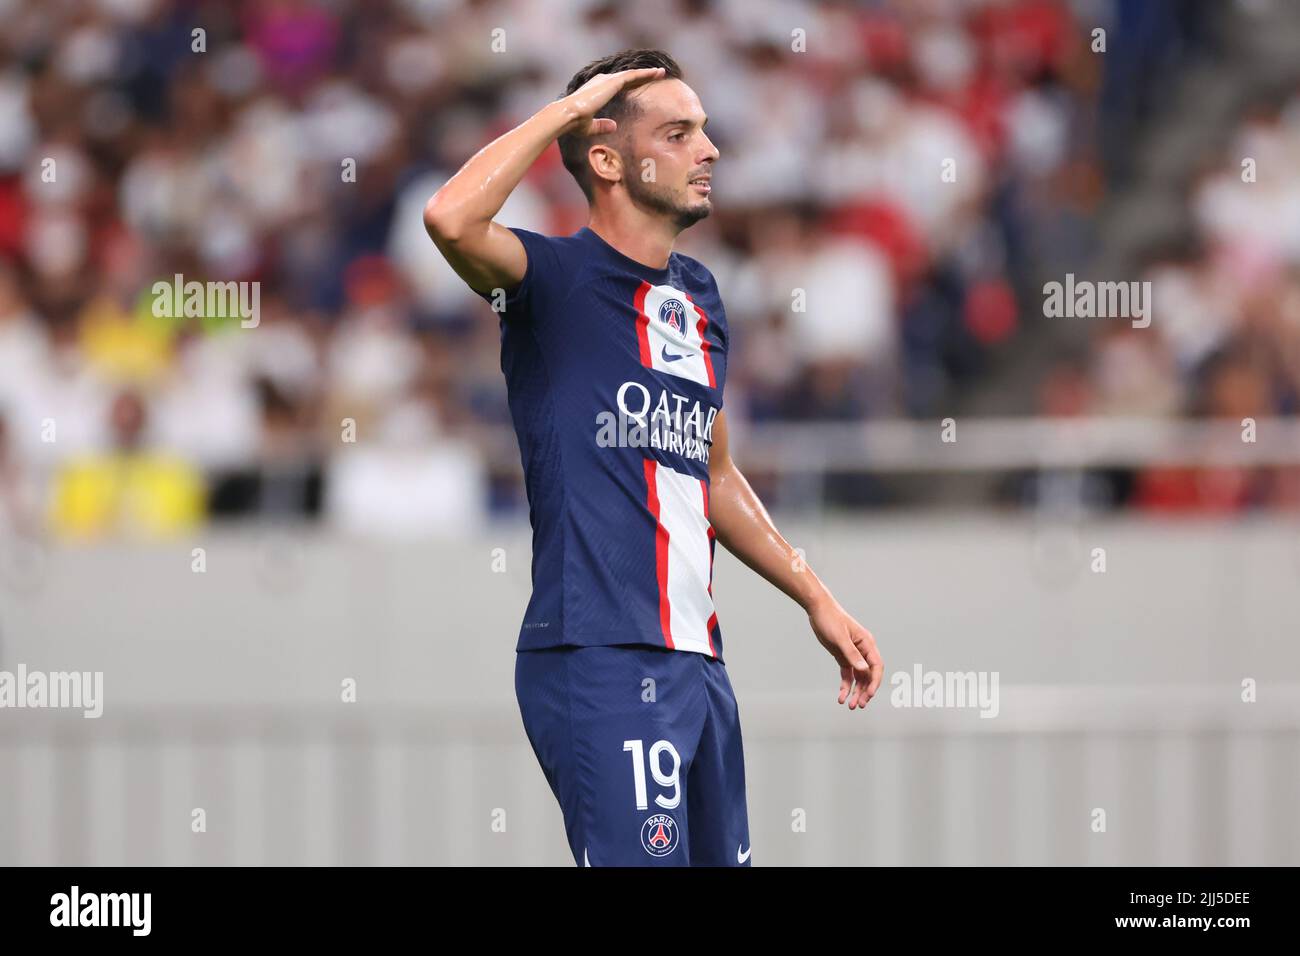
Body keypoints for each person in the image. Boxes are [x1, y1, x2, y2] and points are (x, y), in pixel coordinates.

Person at [423, 49, 882, 867]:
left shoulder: (700, 298)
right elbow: (450, 219)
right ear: (608, 160)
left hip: (699, 664)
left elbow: (712, 473)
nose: (709, 150)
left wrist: (816, 596)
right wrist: (568, 110)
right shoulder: (550, 280)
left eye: (704, 130)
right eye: (678, 133)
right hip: (599, 655)